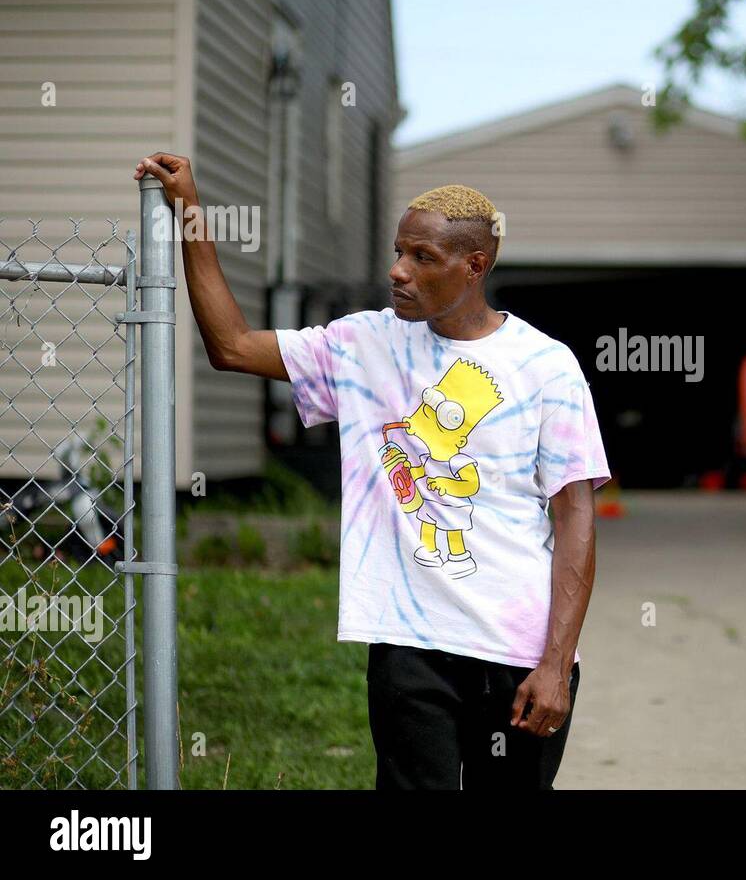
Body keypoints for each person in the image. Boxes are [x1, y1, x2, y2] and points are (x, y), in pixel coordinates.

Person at [133, 153, 610, 789]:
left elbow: (576, 516)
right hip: (408, 646)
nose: (397, 271)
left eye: (421, 257)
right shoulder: (363, 345)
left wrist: (555, 663)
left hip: (517, 653)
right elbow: (232, 346)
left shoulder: (547, 367)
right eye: (397, 252)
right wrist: (190, 211)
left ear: (475, 266)